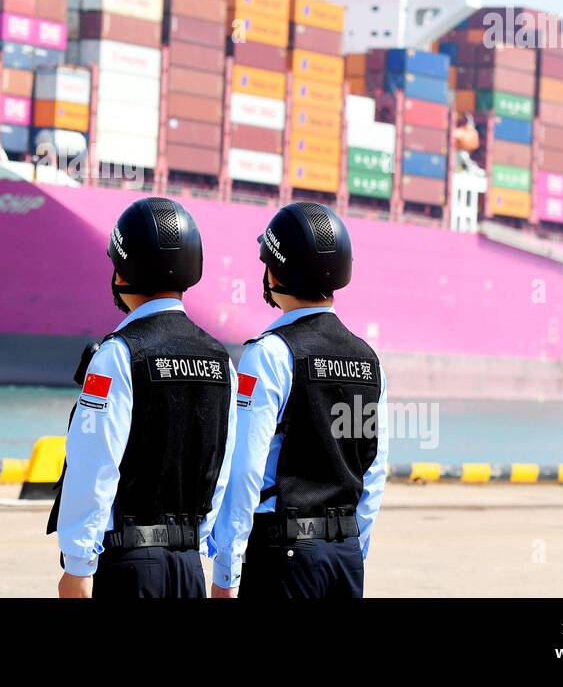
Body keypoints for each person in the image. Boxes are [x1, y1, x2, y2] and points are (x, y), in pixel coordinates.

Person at [49, 196, 237, 598]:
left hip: (129, 567)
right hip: (188, 567)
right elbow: (222, 469)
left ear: (123, 271)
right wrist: (195, 544)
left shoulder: (118, 354)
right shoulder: (224, 362)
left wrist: (78, 564)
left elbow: (95, 466)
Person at [210, 201, 388, 599]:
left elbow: (245, 472)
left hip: (283, 557)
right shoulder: (368, 360)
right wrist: (352, 550)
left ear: (274, 272)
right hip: (344, 556)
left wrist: (227, 568)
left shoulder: (270, 354)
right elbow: (373, 471)